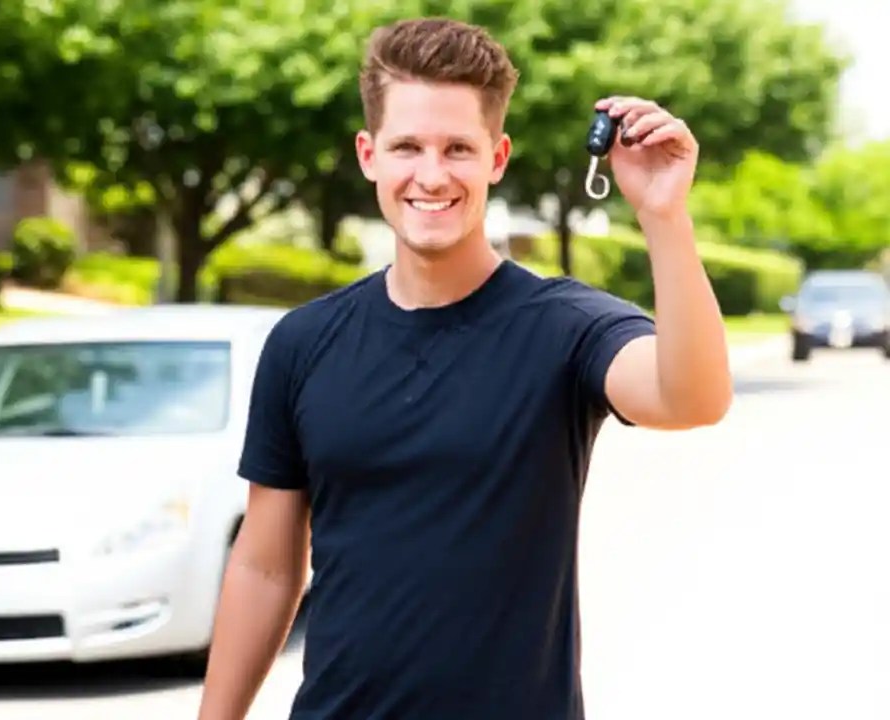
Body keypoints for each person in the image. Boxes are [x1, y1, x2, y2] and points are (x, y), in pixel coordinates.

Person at [196, 16, 733, 720]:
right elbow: (265, 568)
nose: (431, 174)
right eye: (407, 147)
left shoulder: (565, 327)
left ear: (497, 157)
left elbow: (693, 397)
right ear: (369, 155)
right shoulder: (304, 342)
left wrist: (665, 217)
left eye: (458, 149)